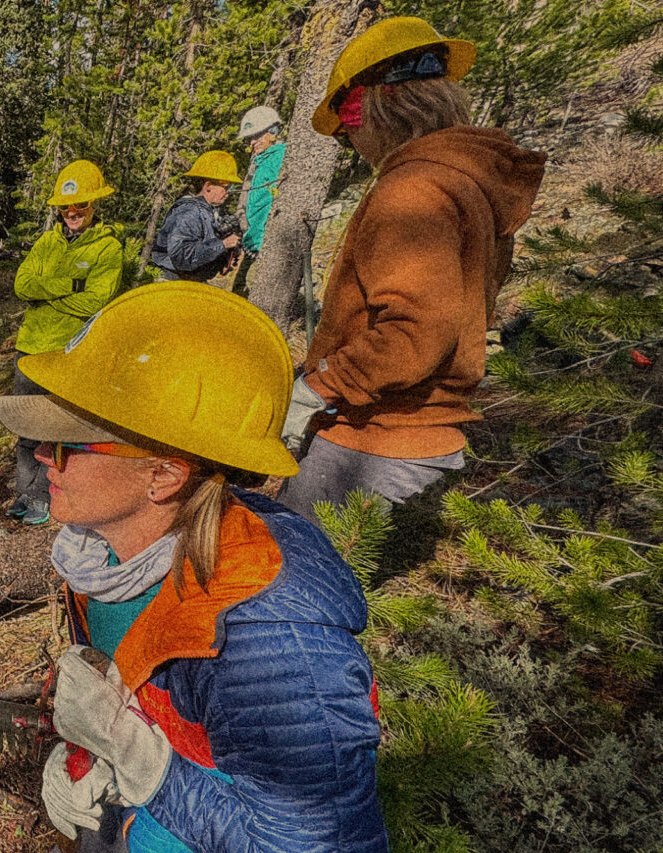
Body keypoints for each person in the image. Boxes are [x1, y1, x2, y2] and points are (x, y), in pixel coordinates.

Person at [0, 282, 396, 853]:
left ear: (163, 477)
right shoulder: (110, 553)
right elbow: (141, 684)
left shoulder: (270, 642)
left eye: (66, 445)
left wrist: (145, 768)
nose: (38, 457)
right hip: (153, 828)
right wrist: (96, 754)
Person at [278, 17, 546, 524]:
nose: (350, 147)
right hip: (420, 433)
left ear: (373, 108)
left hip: (374, 440)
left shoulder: (413, 190)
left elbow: (417, 328)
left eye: (346, 130)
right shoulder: (468, 181)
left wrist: (318, 388)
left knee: (294, 589)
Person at [9, 160, 127, 526]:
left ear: (94, 206)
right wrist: (69, 286)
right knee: (25, 429)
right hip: (30, 350)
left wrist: (46, 294)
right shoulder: (47, 241)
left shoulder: (108, 249)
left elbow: (94, 302)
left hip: (68, 353)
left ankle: (55, 500)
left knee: (58, 432)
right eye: (66, 207)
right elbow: (21, 285)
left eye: (81, 206)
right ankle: (27, 494)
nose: (72, 213)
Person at [150, 151, 241, 284]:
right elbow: (182, 256)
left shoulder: (206, 211)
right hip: (173, 283)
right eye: (226, 187)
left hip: (187, 281)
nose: (228, 192)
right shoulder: (189, 212)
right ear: (208, 186)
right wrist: (222, 244)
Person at [231, 106, 286, 297]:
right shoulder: (260, 161)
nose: (252, 142)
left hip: (264, 243)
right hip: (252, 241)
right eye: (250, 138)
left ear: (272, 132)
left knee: (255, 296)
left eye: (257, 136)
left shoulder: (280, 157)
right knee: (239, 291)